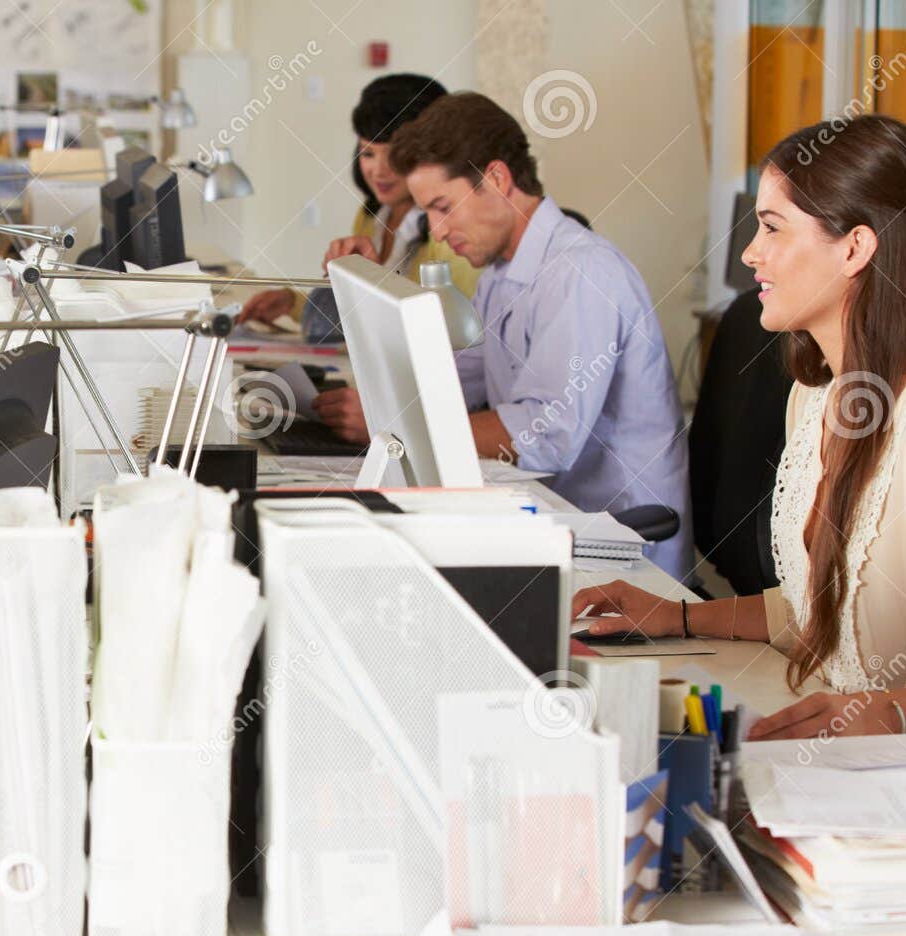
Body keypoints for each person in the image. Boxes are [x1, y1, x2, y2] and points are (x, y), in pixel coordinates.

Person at [577, 114, 906, 740]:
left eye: (772, 227)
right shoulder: (813, 398)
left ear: (854, 249)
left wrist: (891, 711)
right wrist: (676, 616)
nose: (750, 253)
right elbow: (818, 611)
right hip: (828, 748)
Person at [317, 91, 692, 578]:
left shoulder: (580, 272)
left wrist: (392, 425)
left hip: (617, 552)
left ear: (495, 179)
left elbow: (547, 433)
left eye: (442, 207)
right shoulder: (501, 270)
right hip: (551, 520)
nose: (436, 231)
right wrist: (370, 290)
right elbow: (455, 377)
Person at [236, 73, 476, 331]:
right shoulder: (371, 215)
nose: (379, 171)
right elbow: (356, 315)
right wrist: (294, 303)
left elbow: (445, 331)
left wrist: (374, 282)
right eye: (368, 153)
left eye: (394, 155)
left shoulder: (450, 231)